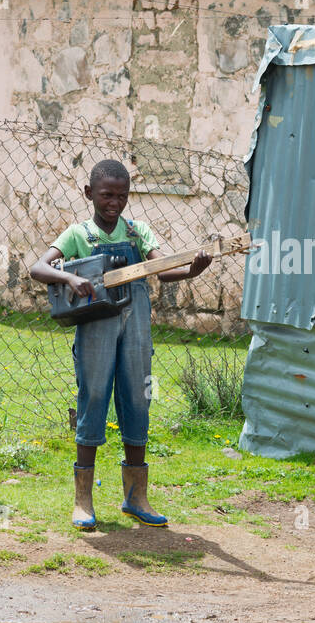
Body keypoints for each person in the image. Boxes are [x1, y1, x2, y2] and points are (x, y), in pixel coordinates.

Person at [30, 159, 211, 530]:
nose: (114, 202)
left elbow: (162, 268)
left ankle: (136, 496)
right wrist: (67, 277)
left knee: (137, 398)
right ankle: (83, 499)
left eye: (122, 195)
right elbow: (38, 267)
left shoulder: (137, 231)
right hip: (96, 326)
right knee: (94, 395)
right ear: (89, 194)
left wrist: (193, 269)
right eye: (106, 195)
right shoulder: (78, 234)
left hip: (137, 328)